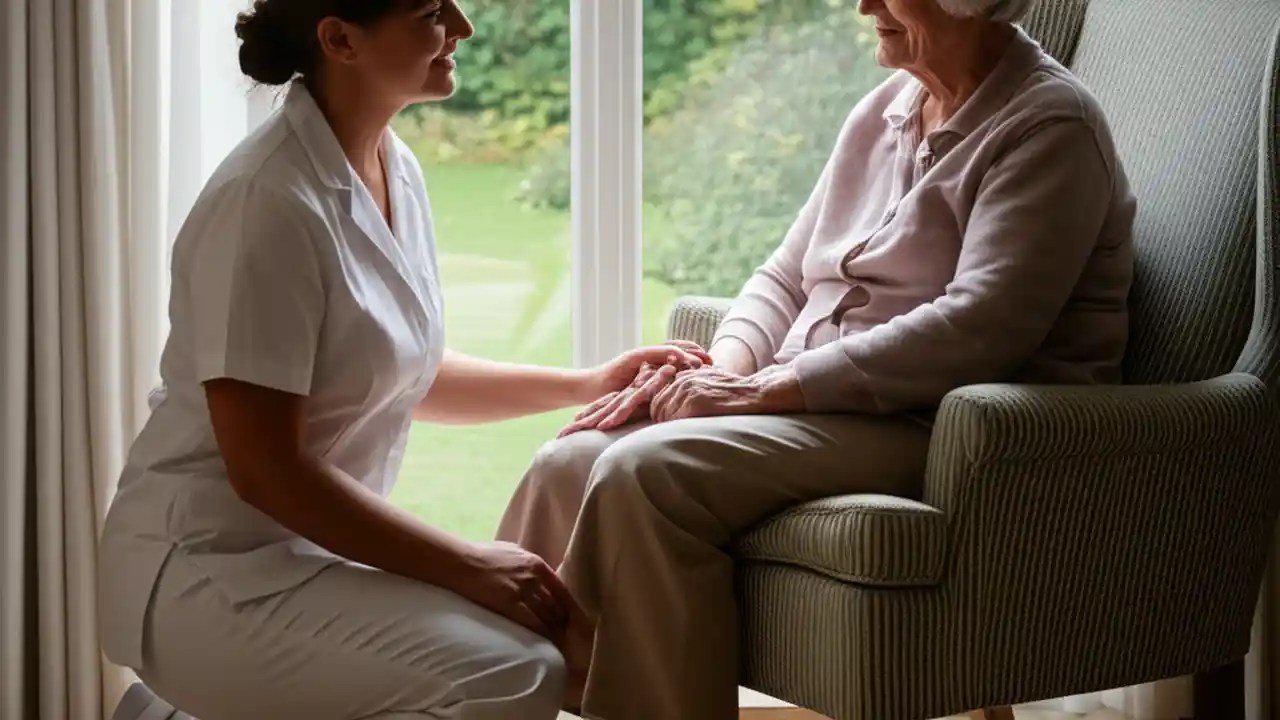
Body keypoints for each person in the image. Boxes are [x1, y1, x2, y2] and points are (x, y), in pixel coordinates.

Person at [497, 0, 1137, 717]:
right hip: (818, 406)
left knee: (645, 473)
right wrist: (725, 372)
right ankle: (496, 700)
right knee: (570, 461)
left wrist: (774, 390)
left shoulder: (1049, 126)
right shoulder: (888, 108)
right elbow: (785, 274)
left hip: (943, 424)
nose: (864, 5)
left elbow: (981, 327)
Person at [95, 1, 708, 718]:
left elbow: (404, 371)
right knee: (511, 670)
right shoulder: (264, 204)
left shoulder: (393, 166)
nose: (463, 25)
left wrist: (589, 382)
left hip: (302, 558)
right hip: (208, 574)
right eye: (429, 10)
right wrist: (468, 563)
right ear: (340, 38)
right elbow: (265, 470)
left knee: (578, 649)